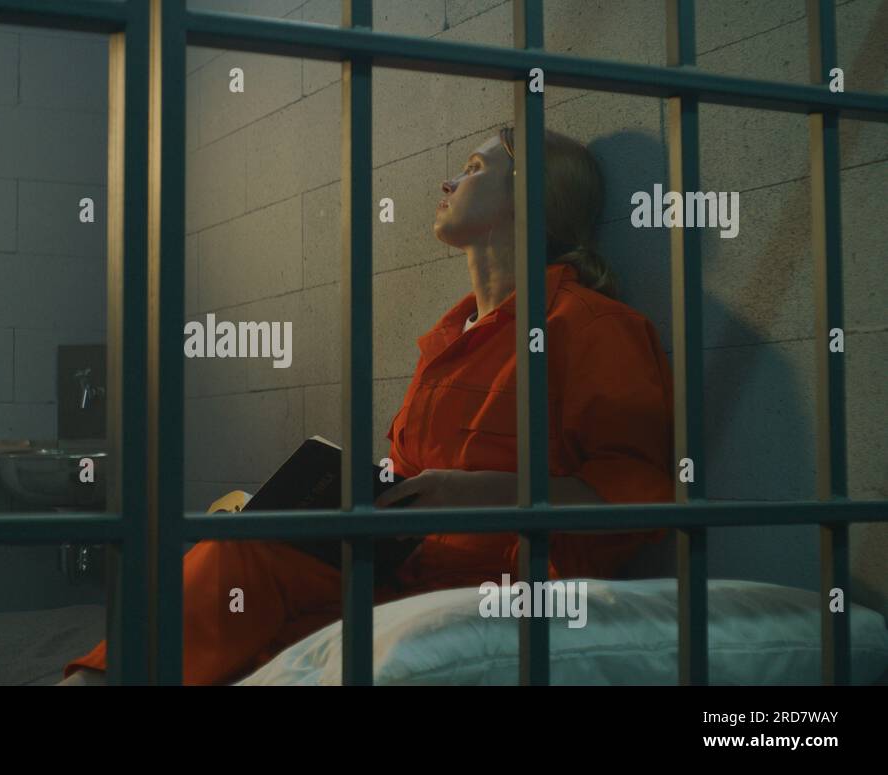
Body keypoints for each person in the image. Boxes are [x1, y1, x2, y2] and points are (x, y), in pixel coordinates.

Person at [59, 127, 673, 686]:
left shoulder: (590, 326)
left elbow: (638, 496)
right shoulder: (450, 338)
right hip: (399, 579)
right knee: (246, 542)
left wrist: (470, 492)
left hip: (500, 593)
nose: (448, 181)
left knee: (244, 567)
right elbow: (410, 481)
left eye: (473, 167)